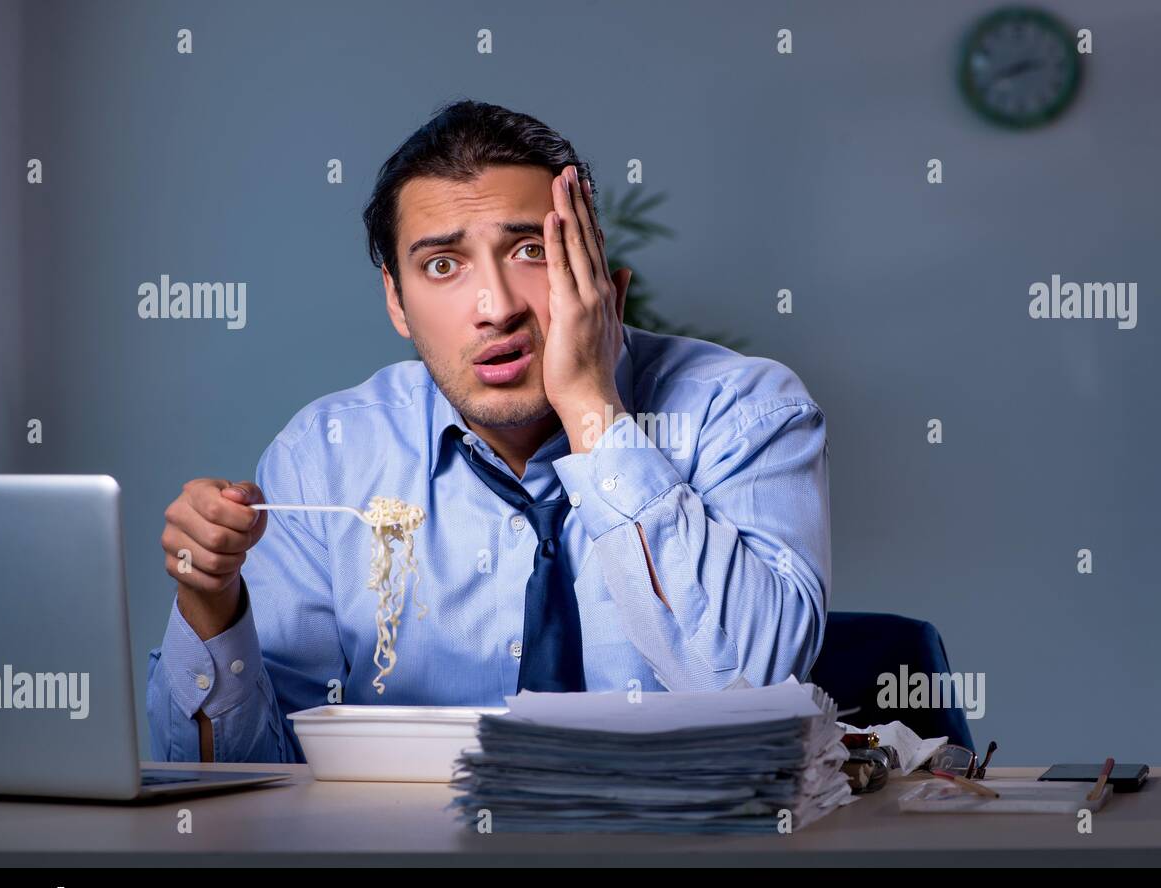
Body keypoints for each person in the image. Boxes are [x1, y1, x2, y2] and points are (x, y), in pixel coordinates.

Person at [147, 99, 831, 762]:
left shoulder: (744, 411)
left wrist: (591, 404)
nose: (496, 308)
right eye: (442, 265)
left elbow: (755, 695)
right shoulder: (324, 455)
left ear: (598, 275)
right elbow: (254, 773)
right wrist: (211, 603)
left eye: (532, 249)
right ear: (397, 301)